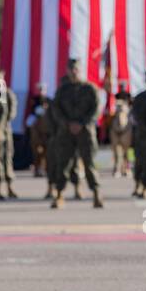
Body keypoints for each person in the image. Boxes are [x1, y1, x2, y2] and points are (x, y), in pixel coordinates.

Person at [49, 58, 103, 209]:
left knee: (89, 163)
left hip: (85, 132)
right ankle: (59, 194)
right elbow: (56, 110)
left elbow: (96, 110)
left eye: (76, 69)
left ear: (81, 70)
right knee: (63, 164)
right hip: (66, 132)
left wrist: (81, 123)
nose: (73, 72)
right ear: (67, 71)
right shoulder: (62, 90)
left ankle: (96, 193)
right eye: (71, 69)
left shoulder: (90, 89)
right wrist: (67, 124)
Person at [0, 71, 20, 198]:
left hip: (5, 131)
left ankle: (9, 187)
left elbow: (11, 113)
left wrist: (1, 125)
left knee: (7, 159)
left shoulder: (7, 94)